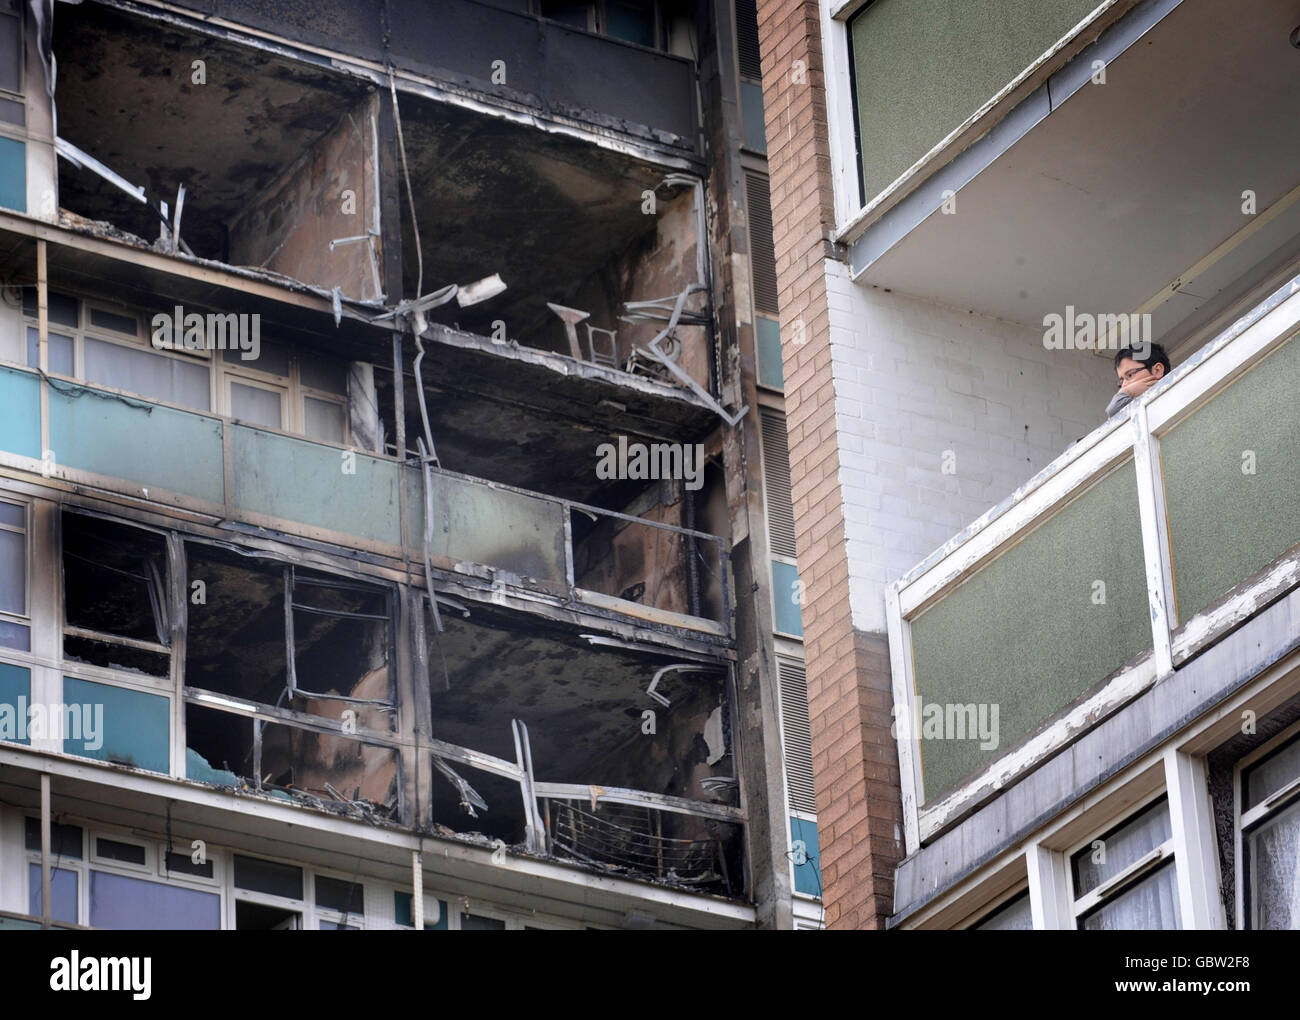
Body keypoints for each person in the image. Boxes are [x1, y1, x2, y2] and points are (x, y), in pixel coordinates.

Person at [1105, 343, 1171, 418]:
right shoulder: (1139, 410)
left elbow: (1113, 409)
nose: (1124, 386)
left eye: (1130, 375)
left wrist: (1128, 392)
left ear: (1157, 370)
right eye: (1121, 381)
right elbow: (1114, 412)